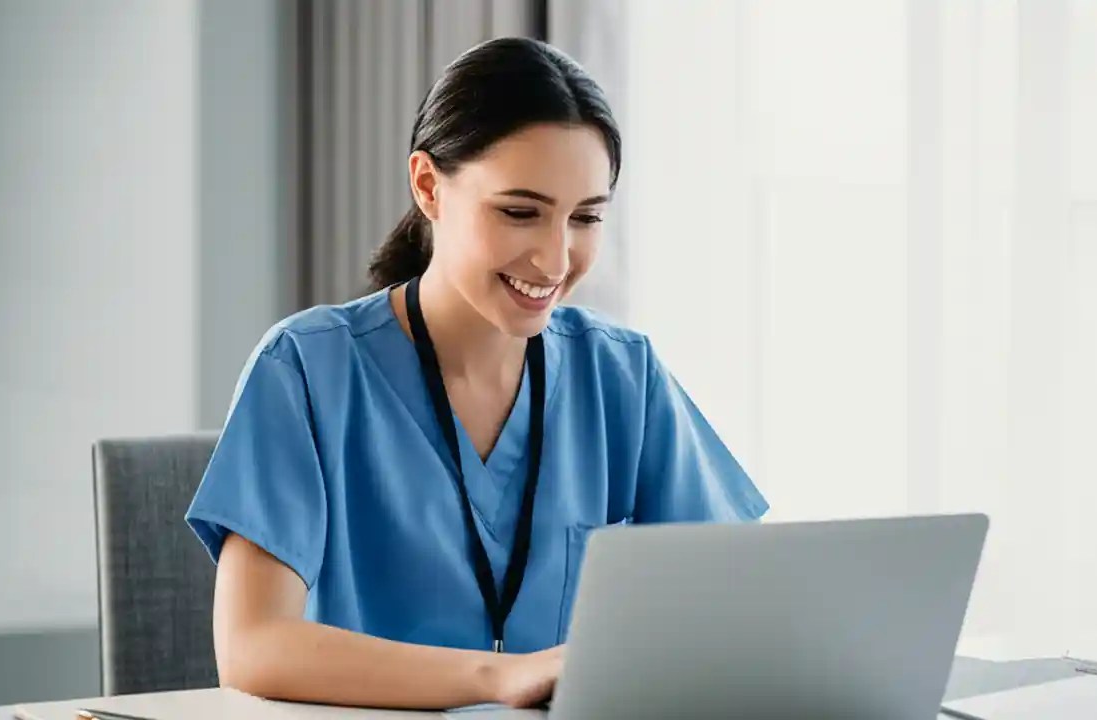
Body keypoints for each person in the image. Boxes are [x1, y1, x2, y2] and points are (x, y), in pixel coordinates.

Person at [184, 37, 767, 711]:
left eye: (585, 218)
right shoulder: (307, 369)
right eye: (520, 212)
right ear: (429, 186)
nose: (555, 259)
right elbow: (254, 647)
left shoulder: (622, 374)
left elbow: (738, 611)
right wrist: (498, 677)